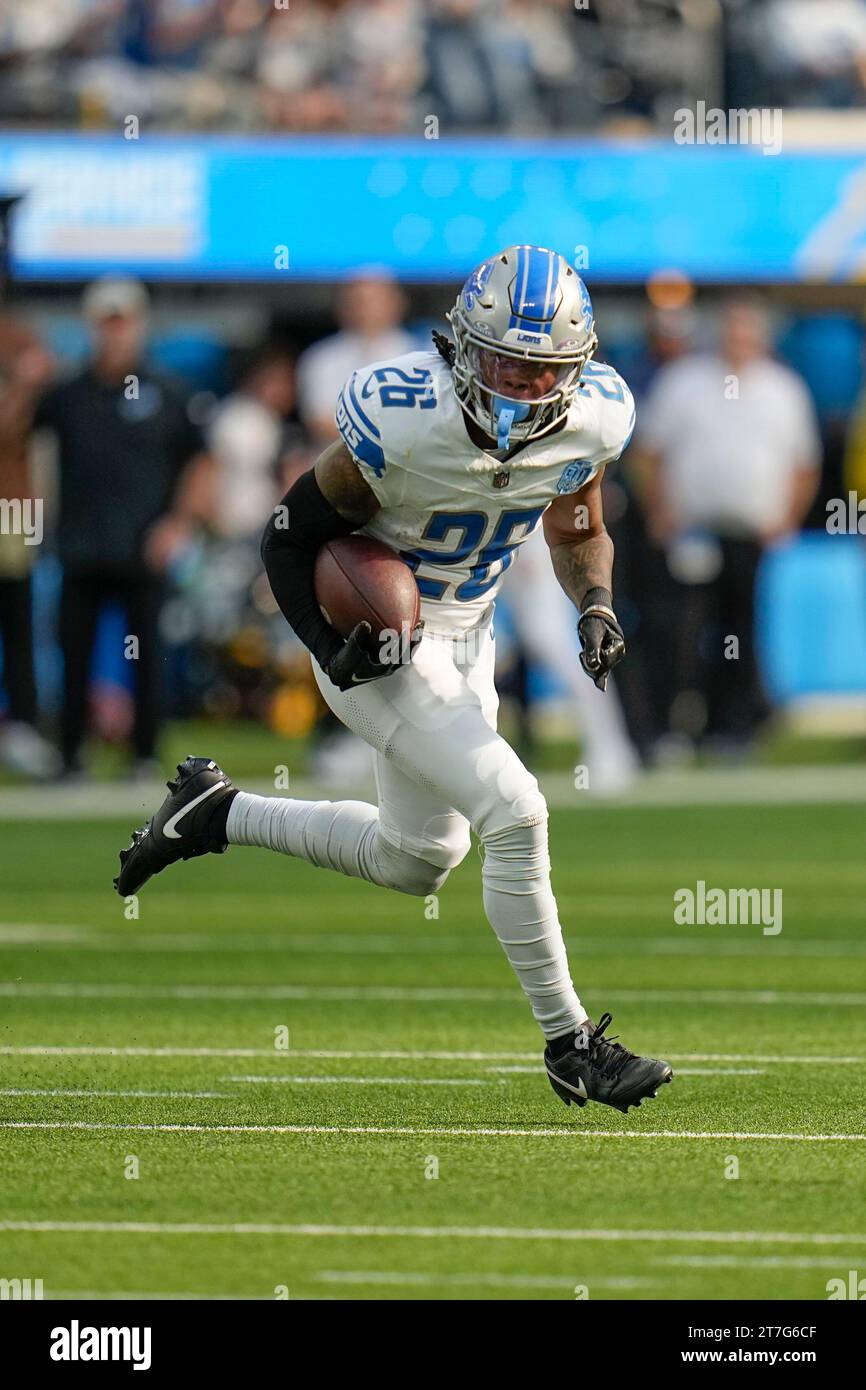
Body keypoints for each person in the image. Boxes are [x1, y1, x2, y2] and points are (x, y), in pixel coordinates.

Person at [114, 246, 672, 1116]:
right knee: (518, 811)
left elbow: (575, 530)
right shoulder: (404, 415)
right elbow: (288, 537)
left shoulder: (594, 419)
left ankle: (214, 813)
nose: (520, 388)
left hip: (469, 641)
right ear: (461, 346)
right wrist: (329, 651)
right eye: (503, 364)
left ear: (576, 368)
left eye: (540, 371)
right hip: (380, 643)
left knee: (418, 860)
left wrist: (594, 602)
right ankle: (574, 1047)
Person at [35, 277, 214, 779]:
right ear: (92, 327)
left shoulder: (167, 391)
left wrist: (178, 523)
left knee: (147, 656)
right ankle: (70, 754)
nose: (115, 334)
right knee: (73, 654)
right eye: (106, 323)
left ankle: (143, 754)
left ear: (139, 326)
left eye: (123, 323)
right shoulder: (66, 395)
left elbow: (200, 459)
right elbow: (28, 448)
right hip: (81, 545)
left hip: (144, 546)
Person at [636, 295, 821, 748]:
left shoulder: (783, 388)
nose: (739, 341)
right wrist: (660, 510)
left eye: (747, 332)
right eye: (732, 331)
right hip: (692, 529)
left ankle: (735, 722)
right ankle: (675, 721)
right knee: (683, 627)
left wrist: (788, 518)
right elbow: (648, 452)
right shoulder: (685, 382)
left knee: (741, 628)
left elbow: (803, 463)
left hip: (750, 532)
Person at [0, 312, 58, 778]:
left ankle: (22, 725)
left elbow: (18, 426)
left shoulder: (19, 336)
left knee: (18, 623)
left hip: (10, 514)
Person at [296, 270, 415, 447]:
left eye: (374, 301)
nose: (365, 310)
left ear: (396, 303)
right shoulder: (321, 358)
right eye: (357, 302)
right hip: (339, 464)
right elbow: (319, 420)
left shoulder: (422, 351)